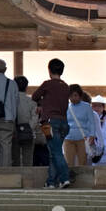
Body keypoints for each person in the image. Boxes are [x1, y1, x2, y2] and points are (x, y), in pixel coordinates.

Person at [31, 58, 72, 188]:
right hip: (64, 123)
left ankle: (65, 178)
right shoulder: (66, 86)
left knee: (56, 152)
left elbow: (34, 96)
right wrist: (45, 103)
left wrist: (41, 103)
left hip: (50, 123)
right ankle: (50, 182)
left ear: (49, 70)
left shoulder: (47, 84)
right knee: (54, 152)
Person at [65, 84, 98, 168]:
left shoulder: (87, 107)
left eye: (75, 95)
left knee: (82, 162)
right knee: (68, 163)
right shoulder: (66, 107)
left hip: (83, 138)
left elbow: (91, 122)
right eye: (70, 96)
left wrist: (92, 135)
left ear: (80, 95)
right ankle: (69, 179)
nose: (73, 98)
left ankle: (82, 180)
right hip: (68, 138)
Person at [14, 75, 41, 167]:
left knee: (15, 159)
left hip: (14, 133)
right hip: (29, 133)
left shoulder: (11, 101)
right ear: (26, 87)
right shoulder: (32, 102)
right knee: (28, 160)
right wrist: (28, 128)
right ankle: (28, 179)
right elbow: (35, 118)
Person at [91, 95, 106, 166]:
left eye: (99, 106)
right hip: (92, 153)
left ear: (103, 108)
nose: (97, 108)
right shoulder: (88, 119)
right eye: (94, 106)